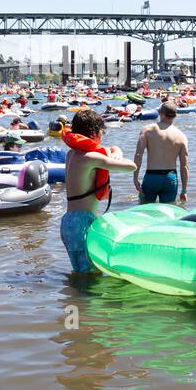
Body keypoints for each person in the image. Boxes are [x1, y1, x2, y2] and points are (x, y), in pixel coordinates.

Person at [61, 110, 137, 274]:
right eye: (102, 133)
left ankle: (72, 299)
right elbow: (132, 166)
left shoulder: (71, 154)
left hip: (69, 221)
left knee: (82, 273)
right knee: (89, 276)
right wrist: (118, 154)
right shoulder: (91, 158)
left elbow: (106, 151)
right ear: (95, 132)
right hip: (81, 222)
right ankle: (78, 300)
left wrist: (113, 151)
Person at [132, 102, 189, 204]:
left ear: (160, 113)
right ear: (176, 115)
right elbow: (184, 166)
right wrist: (184, 190)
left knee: (144, 210)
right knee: (168, 211)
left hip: (152, 177)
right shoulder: (181, 136)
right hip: (170, 178)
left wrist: (135, 179)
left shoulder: (147, 130)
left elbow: (138, 155)